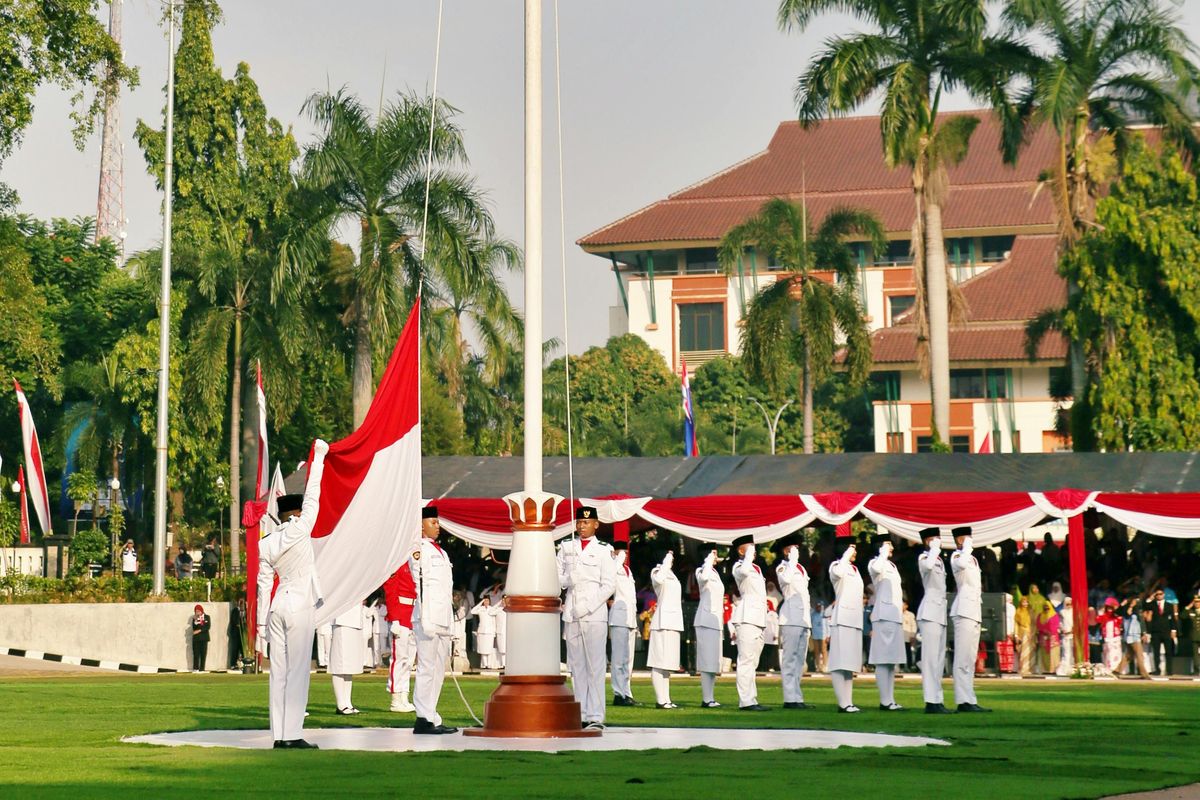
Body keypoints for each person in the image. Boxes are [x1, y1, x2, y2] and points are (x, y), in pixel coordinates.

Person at [256, 438, 328, 750]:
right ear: (296, 513)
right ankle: (293, 733)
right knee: (298, 672)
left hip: (276, 606)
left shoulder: (267, 542)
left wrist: (260, 625)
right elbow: (315, 494)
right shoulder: (301, 529)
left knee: (279, 674)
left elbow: (262, 585)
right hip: (299, 604)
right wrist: (320, 458)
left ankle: (279, 736)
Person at [556, 506, 616, 730]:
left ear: (596, 524)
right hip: (571, 612)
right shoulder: (566, 547)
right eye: (579, 522)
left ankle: (596, 715)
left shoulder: (603, 550)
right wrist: (568, 579)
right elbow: (556, 578)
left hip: (594, 613)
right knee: (576, 665)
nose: (581, 526)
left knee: (595, 666)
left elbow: (609, 585)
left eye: (586, 523)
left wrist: (588, 606)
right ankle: (580, 712)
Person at [410, 505, 458, 734]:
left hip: (441, 617)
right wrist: (425, 616)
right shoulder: (418, 549)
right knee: (427, 668)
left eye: (437, 522)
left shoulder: (441, 551)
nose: (437, 526)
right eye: (433, 522)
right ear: (421, 524)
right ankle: (422, 717)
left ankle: (432, 714)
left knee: (438, 670)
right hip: (427, 616)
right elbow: (419, 586)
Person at [950, 527, 990, 712]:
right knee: (962, 657)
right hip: (963, 610)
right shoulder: (957, 557)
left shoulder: (972, 558)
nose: (970, 540)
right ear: (959, 540)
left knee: (970, 657)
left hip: (974, 610)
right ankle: (962, 700)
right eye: (966, 538)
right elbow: (961, 565)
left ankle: (970, 698)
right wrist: (965, 547)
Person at [730, 534, 769, 711]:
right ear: (740, 550)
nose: (754, 551)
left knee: (753, 662)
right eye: (749, 547)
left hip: (758, 618)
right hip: (746, 617)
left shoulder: (756, 568)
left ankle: (751, 698)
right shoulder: (739, 566)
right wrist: (747, 555)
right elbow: (744, 571)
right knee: (745, 660)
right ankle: (745, 701)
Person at [775, 534, 813, 709]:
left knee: (800, 660)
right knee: (789, 659)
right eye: (793, 548)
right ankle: (789, 698)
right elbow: (786, 580)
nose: (797, 551)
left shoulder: (800, 568)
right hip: (790, 618)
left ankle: (797, 697)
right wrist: (791, 560)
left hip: (803, 618)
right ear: (786, 551)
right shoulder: (783, 568)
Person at [868, 535, 905, 711]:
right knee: (883, 659)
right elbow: (875, 569)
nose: (892, 548)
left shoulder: (891, 565)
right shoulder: (876, 562)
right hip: (883, 615)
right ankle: (884, 700)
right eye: (889, 545)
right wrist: (882, 553)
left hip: (894, 615)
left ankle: (890, 699)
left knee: (891, 660)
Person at [916, 527, 950, 712]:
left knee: (938, 660)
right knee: (929, 659)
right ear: (928, 541)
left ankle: (938, 699)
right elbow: (927, 567)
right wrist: (934, 548)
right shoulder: (924, 558)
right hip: (929, 612)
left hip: (939, 612)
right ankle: (930, 700)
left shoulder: (938, 560)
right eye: (935, 538)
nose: (939, 541)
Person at [828, 539, 864, 713]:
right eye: (852, 548)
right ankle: (842, 702)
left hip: (854, 618)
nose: (855, 552)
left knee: (850, 664)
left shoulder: (855, 570)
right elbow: (838, 573)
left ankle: (848, 701)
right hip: (842, 617)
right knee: (838, 662)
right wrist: (846, 555)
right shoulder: (837, 566)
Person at [648, 550, 683, 709]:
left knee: (667, 663)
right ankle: (660, 700)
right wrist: (666, 560)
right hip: (662, 621)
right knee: (658, 662)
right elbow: (660, 579)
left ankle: (666, 698)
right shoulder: (657, 571)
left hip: (673, 621)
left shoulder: (672, 574)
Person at [382, 559, 418, 712]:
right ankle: (396, 699)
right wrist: (394, 618)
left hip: (413, 614)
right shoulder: (397, 562)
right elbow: (391, 590)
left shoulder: (414, 563)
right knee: (399, 658)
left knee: (409, 660)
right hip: (401, 614)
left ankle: (404, 695)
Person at [693, 545, 724, 708]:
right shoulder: (702, 570)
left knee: (713, 662)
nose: (716, 557)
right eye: (713, 554)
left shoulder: (715, 573)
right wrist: (709, 561)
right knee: (706, 661)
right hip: (705, 619)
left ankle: (710, 697)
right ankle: (706, 698)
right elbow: (703, 578)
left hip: (715, 620)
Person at [609, 540, 638, 706]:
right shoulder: (613, 568)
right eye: (621, 553)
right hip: (619, 619)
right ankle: (618, 693)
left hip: (629, 618)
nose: (624, 556)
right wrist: (617, 559)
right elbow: (609, 577)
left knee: (628, 660)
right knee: (618, 659)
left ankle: (627, 692)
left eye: (625, 553)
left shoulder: (627, 570)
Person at [329, 600, 366, 714]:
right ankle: (341, 704)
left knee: (349, 666)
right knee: (340, 664)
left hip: (355, 620)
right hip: (342, 619)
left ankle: (347, 702)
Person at [1143, 588, 1177, 675]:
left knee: (1168, 652)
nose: (1159, 595)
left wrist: (1173, 630)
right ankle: (1157, 670)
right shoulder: (1153, 604)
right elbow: (1145, 606)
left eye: (1160, 594)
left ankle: (1169, 670)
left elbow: (1173, 618)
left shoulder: (1169, 605)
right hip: (1156, 631)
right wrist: (1150, 598)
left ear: (1163, 594)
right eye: (1157, 594)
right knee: (1156, 652)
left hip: (1166, 630)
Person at [1116, 597, 1151, 679]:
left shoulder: (1138, 613)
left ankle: (1117, 671)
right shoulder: (1126, 611)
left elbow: (1142, 623)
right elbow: (1118, 612)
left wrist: (1144, 633)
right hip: (1131, 636)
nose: (1135, 603)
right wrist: (1123, 605)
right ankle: (1144, 673)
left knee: (1129, 655)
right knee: (1140, 655)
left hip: (1136, 635)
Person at [470, 596, 499, 669]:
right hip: (482, 631)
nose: (486, 602)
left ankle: (489, 664)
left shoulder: (491, 609)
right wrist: (480, 603)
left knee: (489, 649)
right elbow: (472, 611)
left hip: (490, 632)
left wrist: (494, 632)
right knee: (483, 648)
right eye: (485, 601)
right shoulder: (480, 609)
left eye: (487, 601)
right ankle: (484, 664)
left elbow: (494, 621)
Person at [1036, 602, 1061, 675]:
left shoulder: (1054, 615)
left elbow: (1056, 625)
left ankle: (1053, 670)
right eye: (1044, 607)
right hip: (1043, 636)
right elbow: (1038, 625)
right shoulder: (1040, 615)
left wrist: (1050, 632)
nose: (1046, 608)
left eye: (1047, 607)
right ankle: (1045, 670)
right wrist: (1044, 631)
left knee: (1053, 654)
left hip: (1053, 637)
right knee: (1044, 654)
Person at [1014, 597, 1034, 675]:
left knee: (1029, 652)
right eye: (1023, 602)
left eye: (1026, 602)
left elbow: (1034, 623)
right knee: (1022, 652)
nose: (1025, 604)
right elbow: (1016, 624)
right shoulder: (1018, 612)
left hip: (1030, 633)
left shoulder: (1031, 612)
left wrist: (1033, 633)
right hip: (1021, 633)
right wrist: (1016, 635)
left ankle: (1030, 669)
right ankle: (1022, 669)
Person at [191, 604, 210, 672]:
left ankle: (202, 668)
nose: (197, 612)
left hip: (204, 638)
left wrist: (199, 630)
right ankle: (196, 668)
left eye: (198, 611)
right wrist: (195, 621)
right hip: (196, 639)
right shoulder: (194, 619)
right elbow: (194, 628)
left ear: (201, 611)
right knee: (196, 654)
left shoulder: (207, 617)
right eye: (196, 611)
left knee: (203, 654)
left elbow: (207, 627)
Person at [810, 601, 828, 673]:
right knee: (816, 651)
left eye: (820, 606)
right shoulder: (813, 615)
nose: (818, 608)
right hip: (815, 635)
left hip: (823, 635)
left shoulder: (824, 615)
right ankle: (818, 666)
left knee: (824, 651)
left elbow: (827, 625)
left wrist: (828, 635)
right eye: (817, 606)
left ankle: (825, 666)